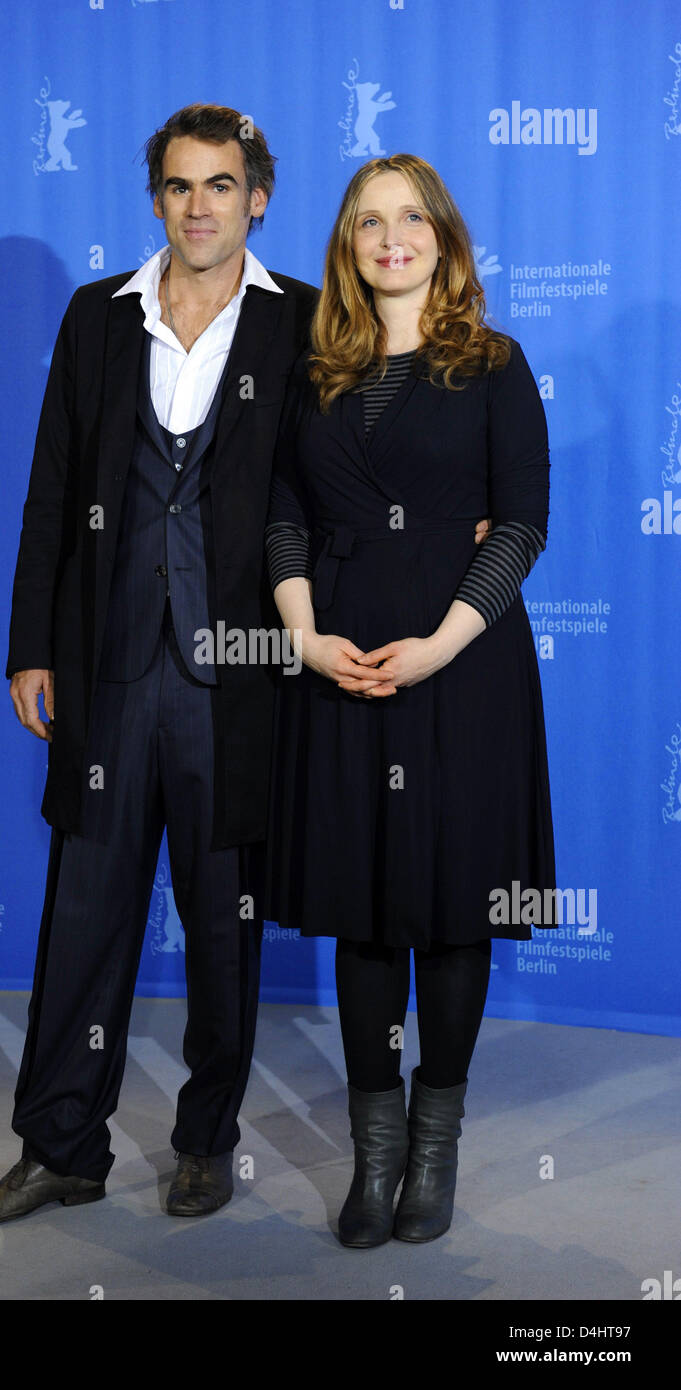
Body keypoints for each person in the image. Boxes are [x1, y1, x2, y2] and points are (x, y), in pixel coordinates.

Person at [0, 104, 318, 1226]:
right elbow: (51, 488)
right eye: (178, 185)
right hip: (107, 673)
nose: (198, 205)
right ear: (154, 197)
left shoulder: (300, 323)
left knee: (221, 920)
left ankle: (205, 1140)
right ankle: (61, 1145)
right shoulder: (94, 319)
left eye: (220, 184)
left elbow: (322, 496)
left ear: (259, 196)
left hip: (239, 676)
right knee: (85, 915)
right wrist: (30, 646)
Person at [263, 153, 557, 1248]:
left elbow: (522, 522)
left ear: (443, 234)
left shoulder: (493, 363)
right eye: (368, 221)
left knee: (451, 904)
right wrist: (300, 631)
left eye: (411, 218)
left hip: (460, 666)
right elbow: (281, 512)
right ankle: (372, 1156)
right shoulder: (315, 372)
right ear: (347, 244)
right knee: (366, 905)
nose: (392, 237)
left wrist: (438, 643)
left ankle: (433, 1151)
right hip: (337, 660)